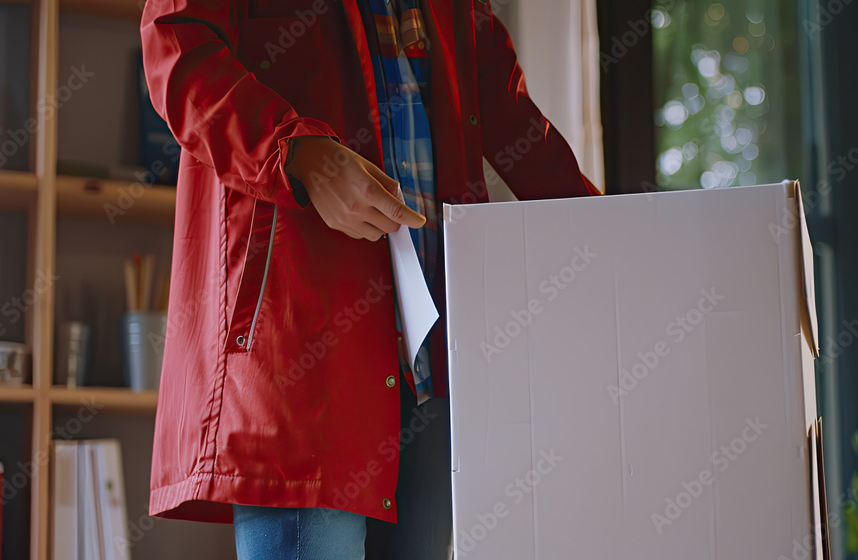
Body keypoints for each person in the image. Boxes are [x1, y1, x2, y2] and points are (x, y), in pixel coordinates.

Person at [140, 0, 600, 558]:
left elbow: (514, 121)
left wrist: (619, 237)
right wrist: (298, 152)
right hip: (302, 349)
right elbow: (177, 47)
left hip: (433, 359)